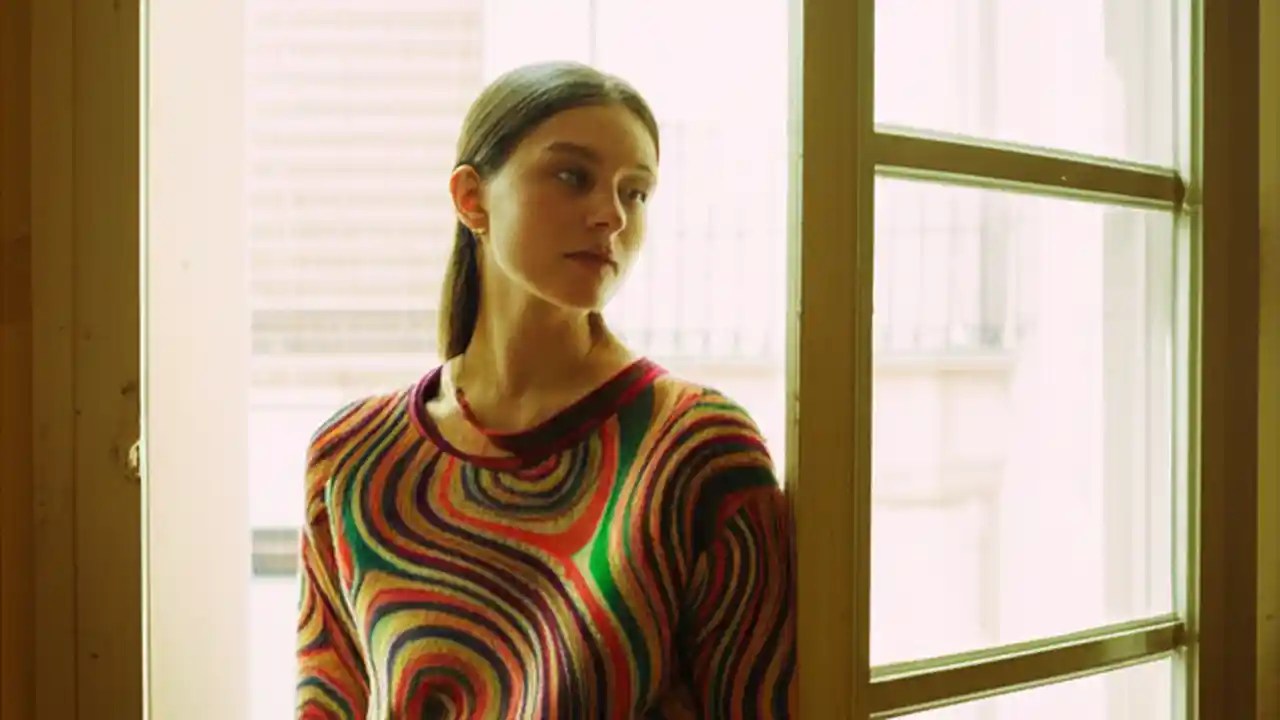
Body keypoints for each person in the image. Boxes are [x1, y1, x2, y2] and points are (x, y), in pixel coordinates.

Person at [295, 60, 796, 719]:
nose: (611, 216)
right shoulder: (352, 454)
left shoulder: (698, 448)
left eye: (636, 191)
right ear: (471, 198)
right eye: (572, 176)